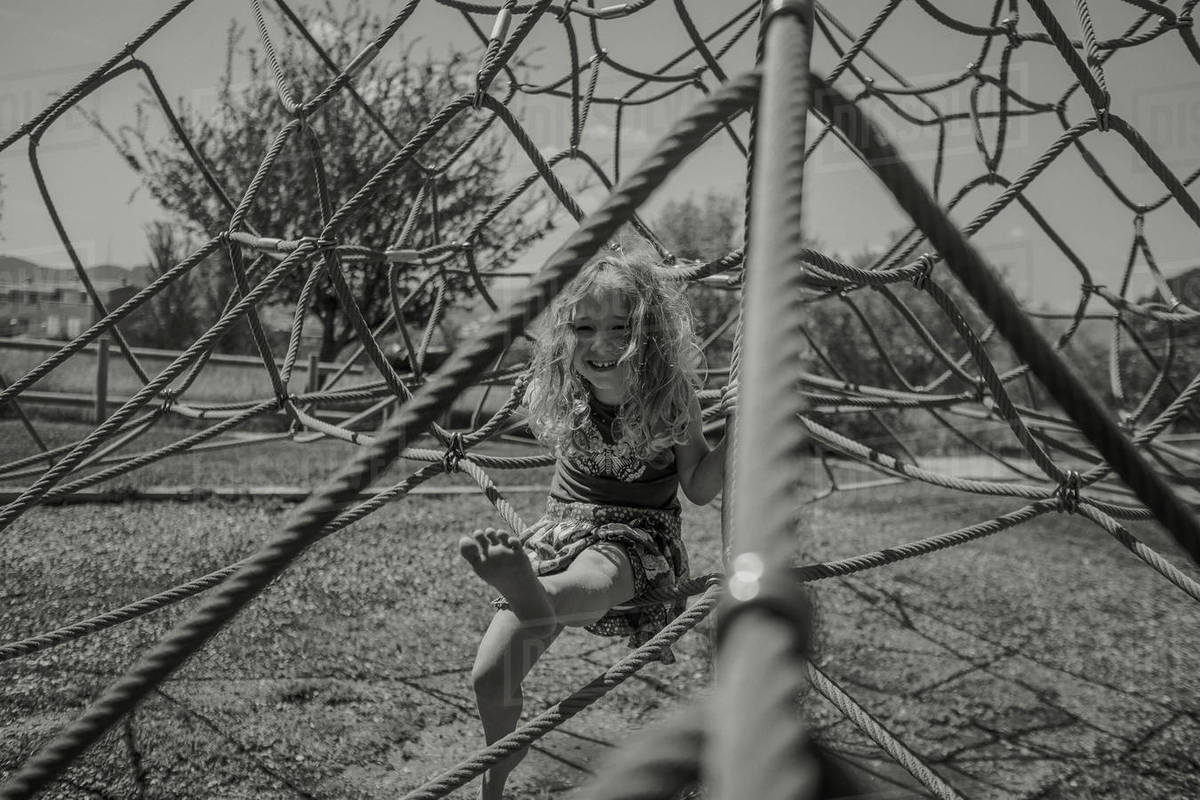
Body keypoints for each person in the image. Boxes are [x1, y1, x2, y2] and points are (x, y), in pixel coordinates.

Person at [458, 248, 728, 800]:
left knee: (596, 577)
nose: (600, 344)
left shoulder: (669, 399)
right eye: (584, 327)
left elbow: (699, 487)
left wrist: (741, 431)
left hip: (636, 539)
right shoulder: (562, 387)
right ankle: (496, 772)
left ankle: (537, 594)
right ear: (564, 335)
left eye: (619, 328)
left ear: (648, 333)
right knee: (490, 676)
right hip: (561, 528)